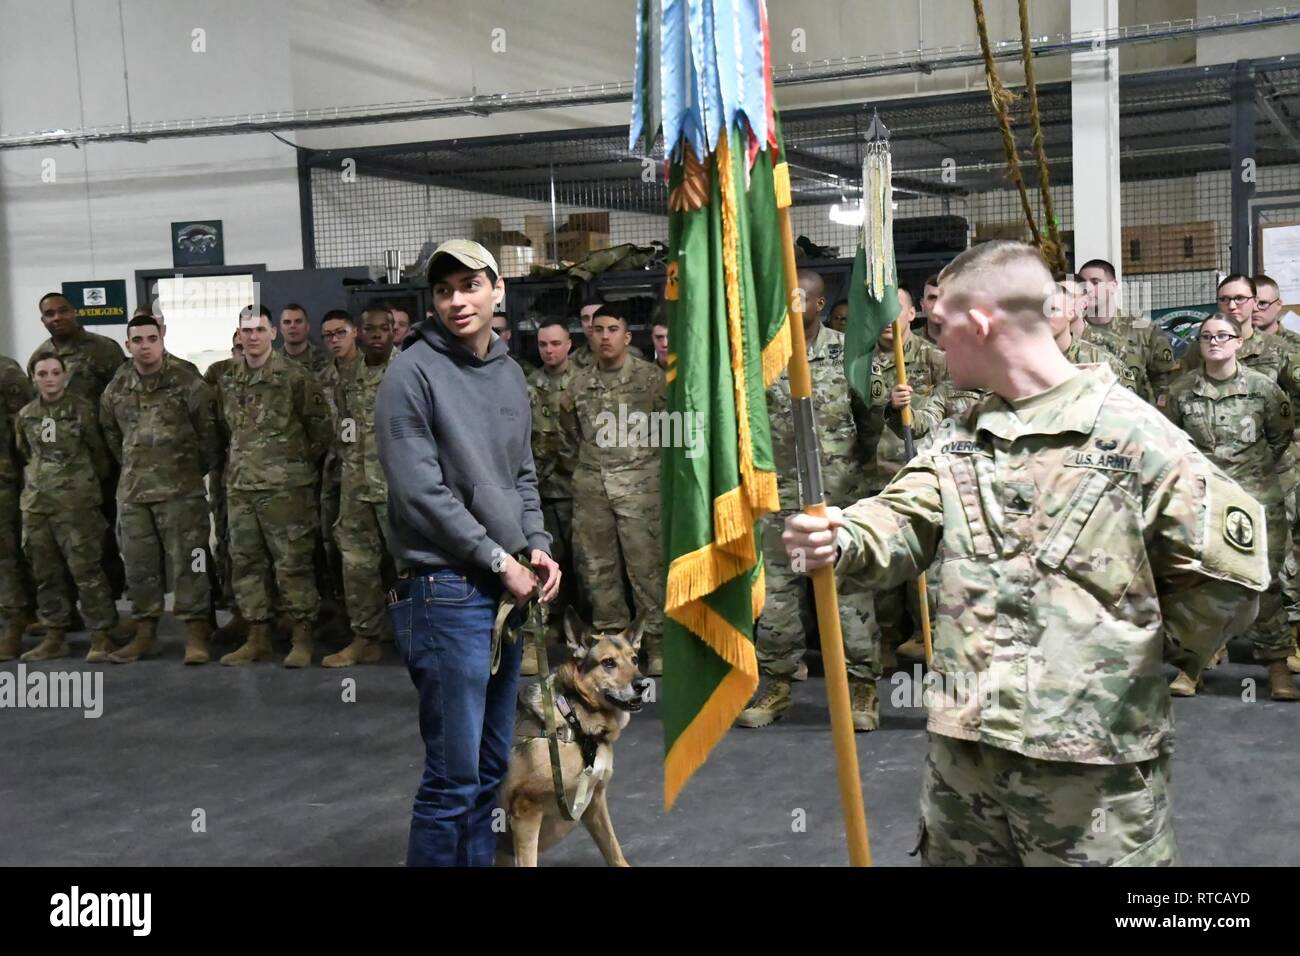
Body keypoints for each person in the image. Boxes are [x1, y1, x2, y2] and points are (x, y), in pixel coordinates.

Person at [783, 240, 1267, 865]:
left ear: (980, 322)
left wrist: (1125, 664)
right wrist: (841, 536)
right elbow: (901, 516)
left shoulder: (1132, 436)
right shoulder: (965, 436)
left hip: (1088, 773)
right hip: (966, 763)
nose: (932, 341)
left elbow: (1227, 585)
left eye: (940, 325)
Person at [375, 239, 559, 867]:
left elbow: (522, 474)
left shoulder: (508, 373)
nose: (457, 301)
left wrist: (534, 545)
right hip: (444, 591)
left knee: (487, 773)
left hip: (500, 589)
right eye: (444, 290)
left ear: (497, 289)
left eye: (470, 286)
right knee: (452, 779)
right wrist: (497, 558)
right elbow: (419, 493)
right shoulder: (410, 373)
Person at [738, 269, 882, 730]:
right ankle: (776, 683)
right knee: (777, 598)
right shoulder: (762, 357)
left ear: (820, 305)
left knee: (848, 594)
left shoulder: (848, 355)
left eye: (800, 299)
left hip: (838, 496)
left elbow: (872, 421)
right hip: (779, 496)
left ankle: (862, 689)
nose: (790, 307)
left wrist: (854, 467)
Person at [1163, 314, 1298, 700]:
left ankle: (1277, 670)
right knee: (1199, 585)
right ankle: (1193, 667)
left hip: (1257, 503)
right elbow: (1173, 444)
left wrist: (1248, 477)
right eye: (1207, 336)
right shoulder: (1181, 391)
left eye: (1223, 336)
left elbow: (1279, 438)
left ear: (1239, 342)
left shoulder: (1264, 389)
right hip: (1203, 501)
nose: (1214, 342)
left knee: (1267, 584)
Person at [100, 315, 222, 664]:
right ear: (128, 345)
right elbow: (110, 436)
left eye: (151, 338)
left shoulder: (188, 382)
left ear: (162, 338)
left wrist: (186, 472)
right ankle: (145, 635)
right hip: (135, 495)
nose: (145, 345)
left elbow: (210, 436)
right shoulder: (117, 387)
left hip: (181, 493)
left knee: (190, 564)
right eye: (137, 340)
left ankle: (196, 635)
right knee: (139, 567)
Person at [216, 304, 332, 667]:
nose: (252, 337)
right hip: (241, 487)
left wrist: (291, 465)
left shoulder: (294, 377)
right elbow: (226, 430)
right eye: (246, 331)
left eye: (259, 330)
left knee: (292, 563)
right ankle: (258, 636)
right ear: (239, 334)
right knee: (246, 563)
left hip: (286, 489)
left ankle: (301, 637)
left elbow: (320, 430)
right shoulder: (228, 378)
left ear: (273, 334)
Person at [558, 303, 667, 674]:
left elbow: (672, 434)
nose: (604, 336)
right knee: (598, 571)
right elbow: (569, 435)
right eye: (598, 329)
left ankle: (658, 645)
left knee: (648, 570)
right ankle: (611, 650)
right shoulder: (577, 384)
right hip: (593, 490)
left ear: (627, 335)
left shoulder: (652, 381)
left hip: (641, 489)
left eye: (612, 329)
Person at [14, 353, 122, 662]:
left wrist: (79, 485)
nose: (49, 378)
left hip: (77, 506)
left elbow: (100, 456)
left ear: (64, 376)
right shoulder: (26, 415)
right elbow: (25, 453)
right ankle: (54, 635)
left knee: (87, 571)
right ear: (33, 378)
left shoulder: (83, 410)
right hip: (37, 506)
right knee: (46, 574)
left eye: (55, 372)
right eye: (42, 373)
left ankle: (101, 635)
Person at [323, 308, 396, 667]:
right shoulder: (346, 376)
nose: (378, 334)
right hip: (356, 486)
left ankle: (424, 637)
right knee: (357, 566)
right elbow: (342, 427)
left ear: (395, 330)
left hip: (399, 487)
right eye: (371, 329)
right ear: (360, 332)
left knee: (412, 565)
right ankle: (365, 637)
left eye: (385, 328)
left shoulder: (410, 371)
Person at [523, 316, 579, 675]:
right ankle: (535, 639)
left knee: (590, 572)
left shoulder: (584, 381)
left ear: (569, 344)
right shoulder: (530, 385)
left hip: (581, 490)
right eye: (543, 344)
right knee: (543, 566)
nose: (549, 350)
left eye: (556, 343)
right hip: (543, 492)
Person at [1077, 258, 1179, 406]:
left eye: (1095, 282)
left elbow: (1165, 381)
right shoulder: (1074, 330)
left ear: (1113, 286)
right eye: (1082, 283)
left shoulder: (1144, 330)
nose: (1088, 288)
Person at [0, 355, 37, 660]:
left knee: (5, 553)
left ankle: (12, 624)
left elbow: (25, 425)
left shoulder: (6, 371)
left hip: (1, 478)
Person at [278, 303, 331, 376]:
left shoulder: (325, 360)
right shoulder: (270, 362)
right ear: (280, 329)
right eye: (287, 322)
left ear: (307, 327)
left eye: (298, 321)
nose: (292, 326)